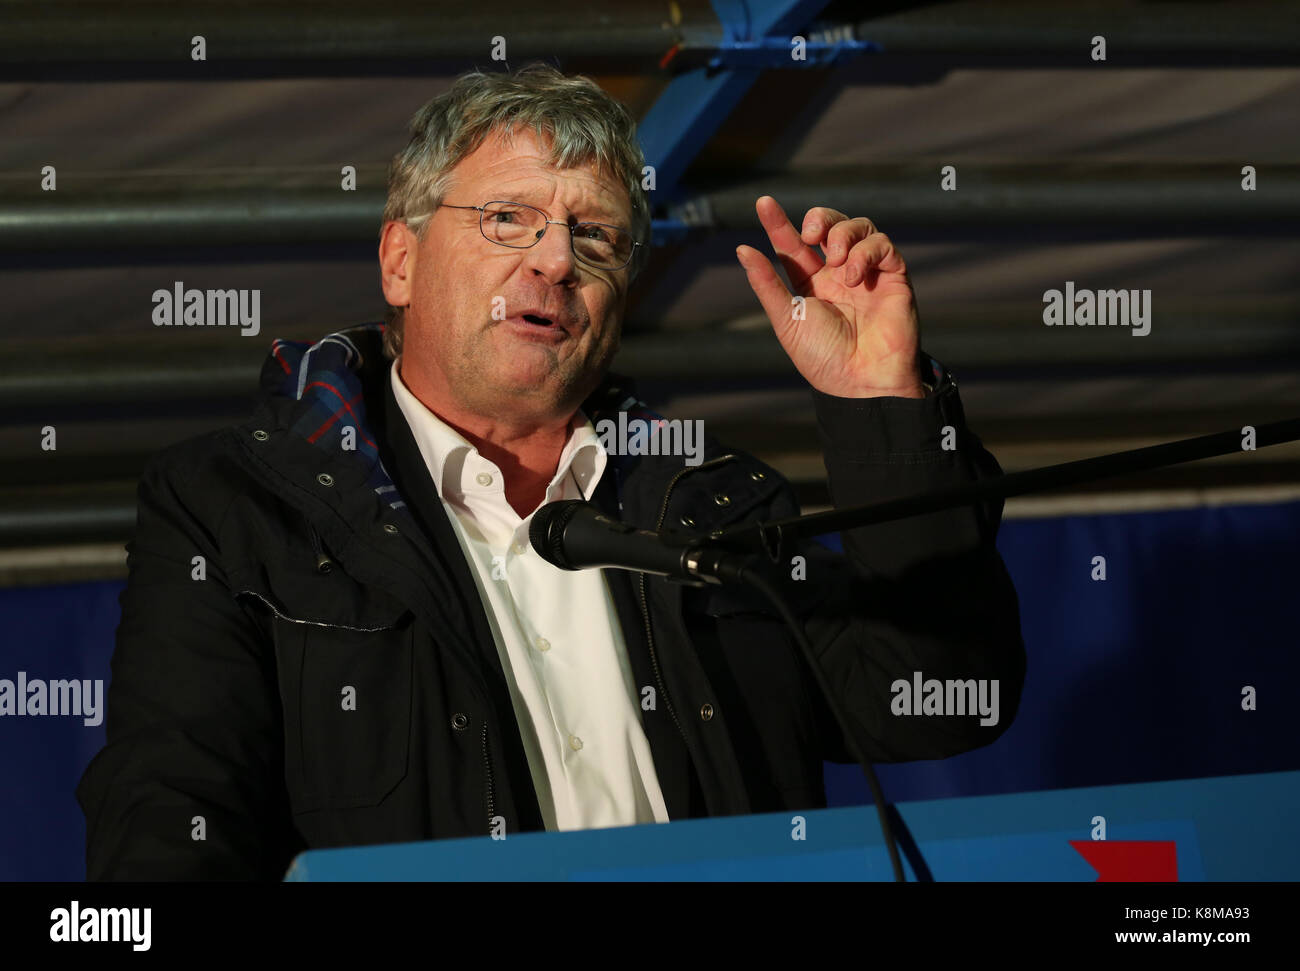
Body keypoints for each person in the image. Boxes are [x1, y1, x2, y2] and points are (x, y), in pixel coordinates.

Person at [77, 64, 1025, 880]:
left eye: (598, 238)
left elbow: (931, 704)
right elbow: (169, 827)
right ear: (400, 259)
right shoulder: (236, 510)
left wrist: (884, 407)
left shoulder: (713, 500)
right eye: (507, 217)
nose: (556, 260)